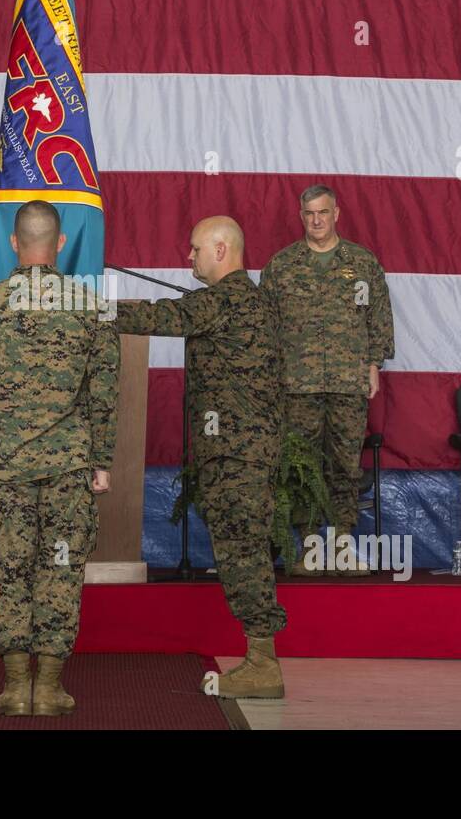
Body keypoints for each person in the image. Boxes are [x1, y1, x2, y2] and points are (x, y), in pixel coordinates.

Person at [0, 201, 119, 716]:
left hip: (6, 469)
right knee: (60, 569)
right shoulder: (91, 307)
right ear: (62, 243)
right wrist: (101, 461)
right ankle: (48, 688)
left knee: (11, 569)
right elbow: (104, 395)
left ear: (12, 243)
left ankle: (14, 688)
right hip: (70, 467)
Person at [116, 216, 287, 698]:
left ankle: (262, 664)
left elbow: (158, 318)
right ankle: (259, 658)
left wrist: (90, 310)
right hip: (241, 454)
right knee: (242, 551)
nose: (187, 257)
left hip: (237, 458)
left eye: (193, 249)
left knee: (243, 555)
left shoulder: (224, 301)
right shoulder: (249, 300)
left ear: (220, 249)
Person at [260, 185, 394, 577]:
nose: (316, 220)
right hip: (296, 382)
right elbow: (266, 326)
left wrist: (373, 364)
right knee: (302, 465)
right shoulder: (281, 266)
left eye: (323, 212)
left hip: (347, 379)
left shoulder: (363, 263)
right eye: (309, 214)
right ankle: (308, 547)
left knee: (345, 465)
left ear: (337, 213)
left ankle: (341, 544)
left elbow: (379, 317)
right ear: (301, 216)